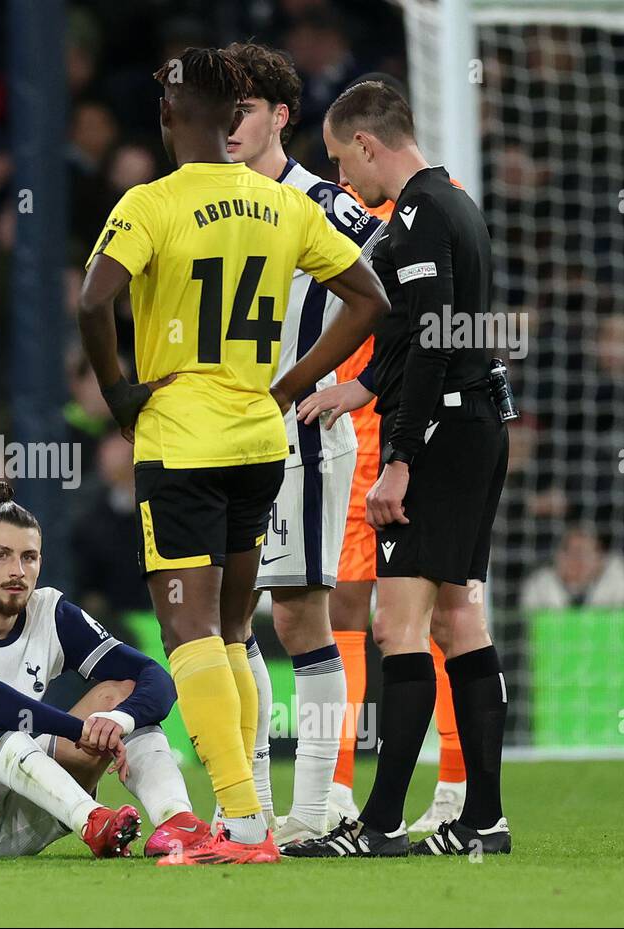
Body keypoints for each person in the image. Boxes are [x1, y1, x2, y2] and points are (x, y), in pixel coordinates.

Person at [76, 47, 387, 864]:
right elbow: (373, 299)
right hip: (262, 439)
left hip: (182, 440)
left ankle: (247, 821)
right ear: (233, 119)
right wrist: (289, 386)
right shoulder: (281, 204)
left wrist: (118, 394)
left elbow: (93, 300)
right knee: (235, 625)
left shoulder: (150, 202)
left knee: (191, 631)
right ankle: (260, 813)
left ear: (178, 118)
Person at [286, 81, 512, 857]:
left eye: (346, 162)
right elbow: (426, 329)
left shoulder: (416, 217)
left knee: (399, 626)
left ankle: (376, 824)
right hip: (480, 423)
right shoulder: (456, 200)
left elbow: (434, 344)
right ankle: (483, 817)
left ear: (368, 144)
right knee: (458, 620)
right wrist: (362, 384)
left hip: (441, 435)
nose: (347, 181)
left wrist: (400, 460)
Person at [220, 41, 387, 845]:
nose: (228, 124)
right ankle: (245, 804)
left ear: (280, 116)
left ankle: (317, 807)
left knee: (298, 617)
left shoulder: (330, 202)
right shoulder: (198, 201)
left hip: (301, 441)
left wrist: (352, 385)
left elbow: (400, 300)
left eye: (243, 108)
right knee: (226, 618)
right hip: (218, 441)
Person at [0, 483, 212, 860]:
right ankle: (92, 820)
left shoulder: (51, 613)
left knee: (119, 694)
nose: (17, 571)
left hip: (13, 818)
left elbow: (154, 677)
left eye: (28, 557)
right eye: (1, 555)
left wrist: (119, 720)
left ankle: (176, 820)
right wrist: (77, 730)